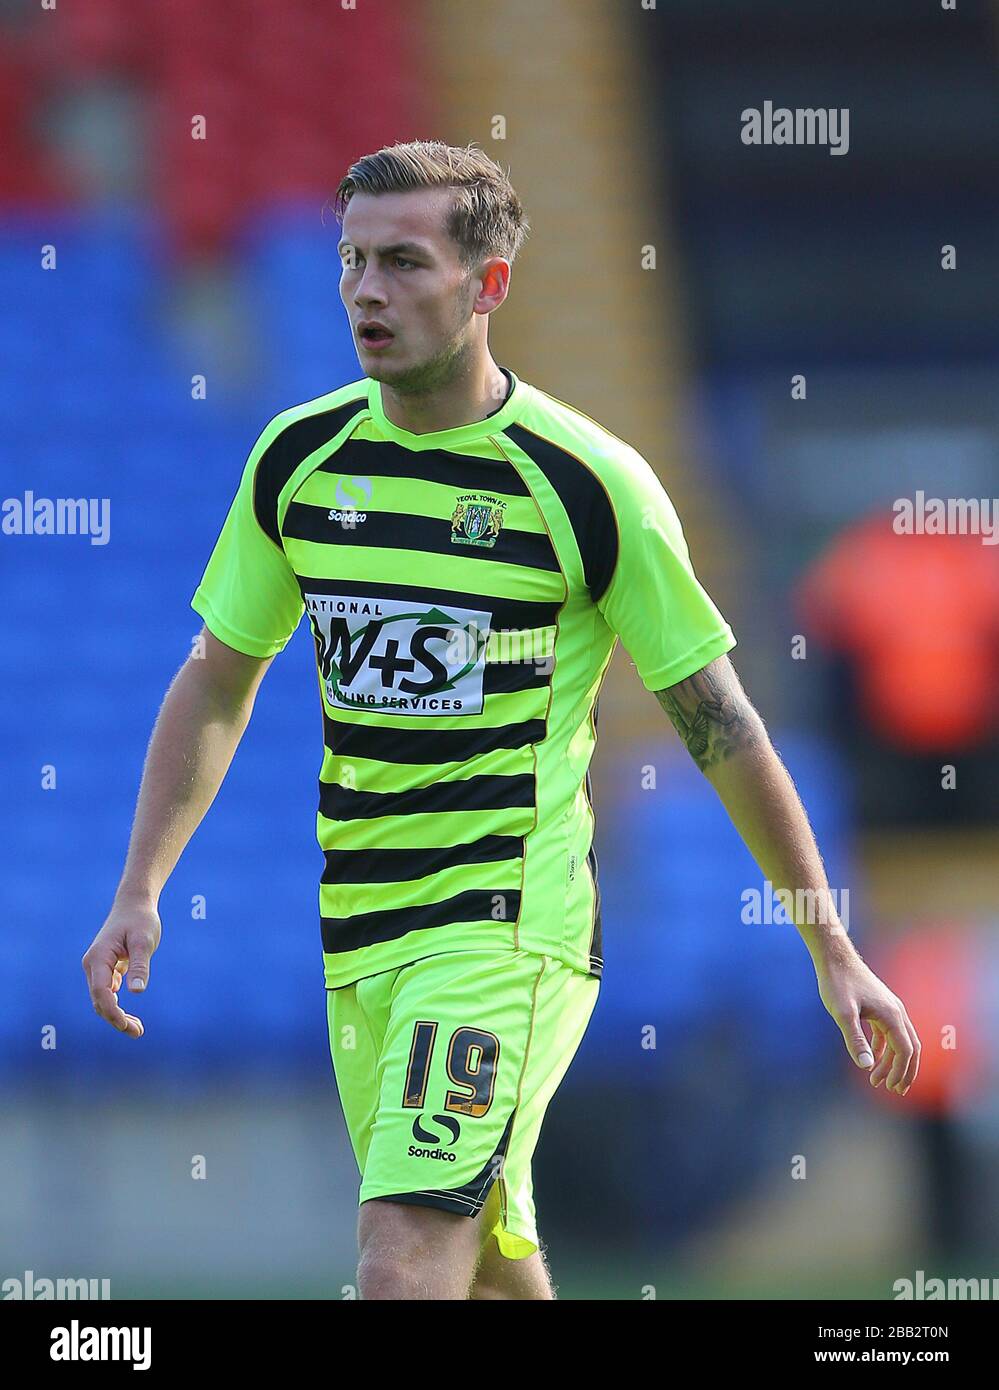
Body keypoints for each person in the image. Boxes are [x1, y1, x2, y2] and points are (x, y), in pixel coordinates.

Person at [83, 140, 920, 1301]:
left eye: (405, 264)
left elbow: (721, 726)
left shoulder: (588, 483)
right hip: (362, 933)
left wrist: (830, 946)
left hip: (503, 934)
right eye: (353, 262)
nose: (368, 292)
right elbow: (218, 679)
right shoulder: (301, 463)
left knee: (400, 1263)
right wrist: (141, 885)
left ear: (489, 286)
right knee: (488, 1273)